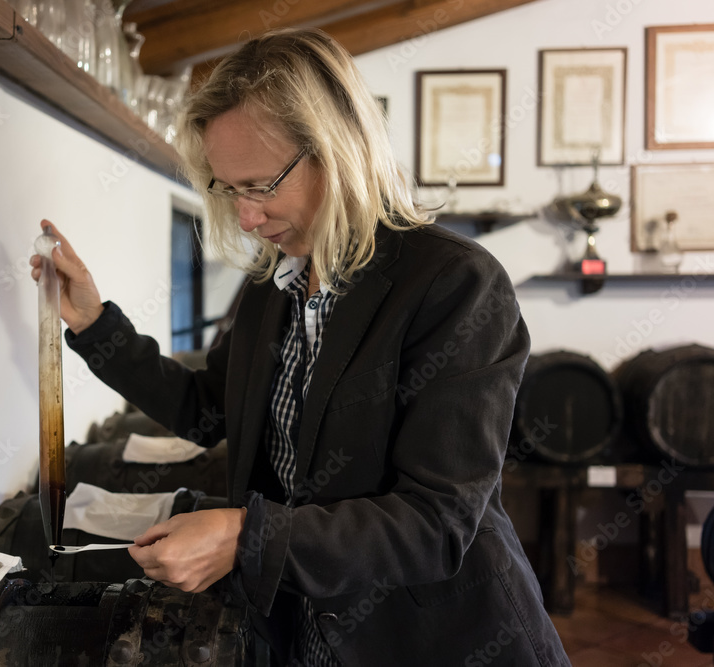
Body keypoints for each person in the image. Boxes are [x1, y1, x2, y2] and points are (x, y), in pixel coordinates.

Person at [30, 27, 569, 667]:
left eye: (260, 186)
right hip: (303, 630)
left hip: (432, 639)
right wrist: (95, 325)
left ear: (336, 152)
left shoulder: (453, 284)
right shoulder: (273, 287)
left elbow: (436, 523)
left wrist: (246, 536)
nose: (245, 218)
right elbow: (209, 410)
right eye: (230, 190)